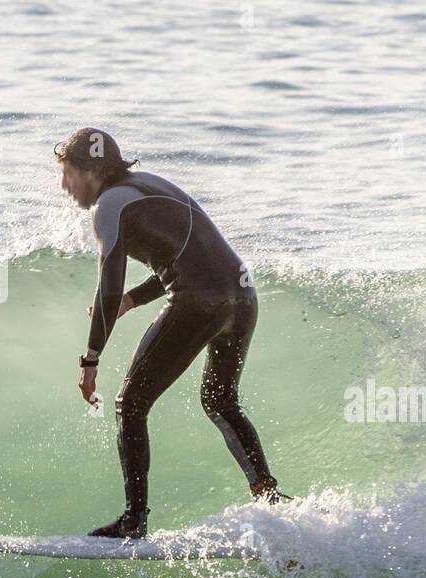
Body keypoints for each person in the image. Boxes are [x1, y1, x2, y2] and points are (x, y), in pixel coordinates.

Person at [55, 127, 287, 539]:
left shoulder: (108, 205)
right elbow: (193, 259)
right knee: (219, 400)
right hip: (242, 295)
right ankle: (267, 495)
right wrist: (132, 300)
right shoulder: (150, 185)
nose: (64, 185)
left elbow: (107, 283)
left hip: (199, 301)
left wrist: (90, 359)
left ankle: (133, 520)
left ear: (89, 171)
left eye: (68, 173)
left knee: (130, 403)